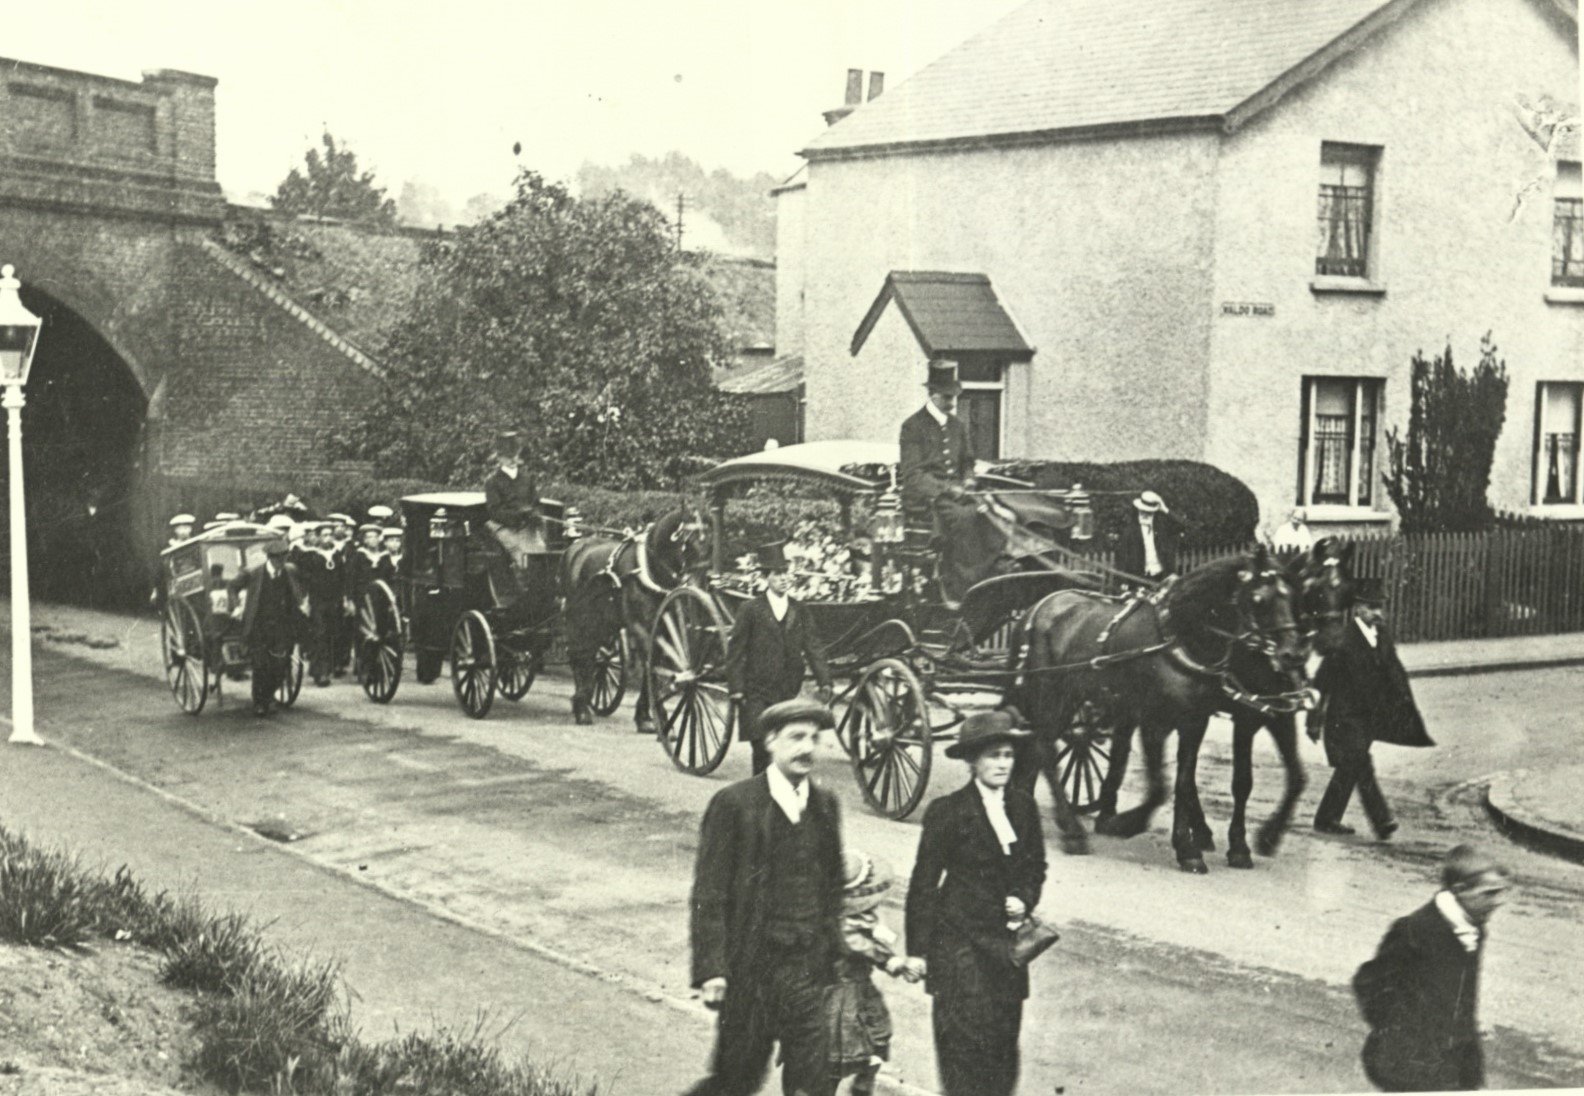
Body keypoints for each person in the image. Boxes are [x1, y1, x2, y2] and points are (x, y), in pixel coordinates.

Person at [687, 697, 845, 1096]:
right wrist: (712, 968)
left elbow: (832, 888)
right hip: (751, 972)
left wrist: (833, 952)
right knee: (734, 1082)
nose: (807, 747)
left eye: (814, 738)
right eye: (795, 737)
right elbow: (710, 892)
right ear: (770, 742)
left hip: (806, 969)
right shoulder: (735, 804)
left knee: (814, 1084)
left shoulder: (825, 806)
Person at [905, 710, 1047, 1096]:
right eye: (992, 756)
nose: (1002, 764)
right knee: (964, 1048)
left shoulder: (1022, 806)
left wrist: (1024, 898)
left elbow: (1035, 867)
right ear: (972, 762)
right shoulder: (947, 812)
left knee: (1003, 1048)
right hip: (958, 946)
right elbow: (923, 885)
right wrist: (917, 950)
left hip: (1006, 950)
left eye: (1008, 755)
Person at [1353, 844, 1511, 1092]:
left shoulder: (1474, 927)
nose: (1499, 901)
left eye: (1502, 892)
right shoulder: (1414, 930)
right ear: (1460, 890)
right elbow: (1369, 984)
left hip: (1454, 1063)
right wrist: (1403, 1034)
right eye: (1489, 893)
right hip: (1409, 1066)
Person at [1308, 577, 1433, 840]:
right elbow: (1322, 679)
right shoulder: (1343, 639)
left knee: (1351, 767)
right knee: (1360, 762)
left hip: (1369, 717)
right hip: (1344, 717)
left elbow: (1394, 671)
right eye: (1373, 607)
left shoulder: (1382, 636)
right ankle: (1381, 820)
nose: (1378, 613)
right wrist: (1313, 716)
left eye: (1380, 607)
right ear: (1358, 609)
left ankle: (1326, 818)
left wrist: (1402, 705)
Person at [726, 541, 833, 773]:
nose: (784, 578)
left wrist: (824, 680)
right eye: (777, 574)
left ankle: (776, 794)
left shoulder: (799, 609)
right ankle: (760, 795)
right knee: (762, 746)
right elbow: (736, 651)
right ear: (767, 577)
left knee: (783, 748)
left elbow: (813, 646)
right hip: (756, 690)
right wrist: (736, 688)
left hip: (787, 690)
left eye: (786, 573)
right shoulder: (751, 609)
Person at [826, 850, 916, 1096]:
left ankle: (864, 1081)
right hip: (841, 991)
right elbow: (861, 946)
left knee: (877, 1035)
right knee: (839, 1048)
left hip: (857, 986)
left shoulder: (857, 918)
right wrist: (892, 961)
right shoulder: (842, 925)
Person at [227, 538, 308, 717]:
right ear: (270, 558)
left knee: (280, 664)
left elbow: (299, 589)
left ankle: (270, 695)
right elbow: (232, 587)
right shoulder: (254, 573)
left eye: (284, 559)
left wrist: (302, 602)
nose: (281, 564)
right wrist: (237, 607)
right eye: (278, 560)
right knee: (261, 665)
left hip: (282, 625)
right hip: (259, 626)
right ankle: (260, 702)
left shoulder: (290, 571)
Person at [296, 522, 344, 687]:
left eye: (330, 534)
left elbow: (343, 577)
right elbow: (303, 579)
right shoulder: (311, 556)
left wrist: (344, 598)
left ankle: (329, 666)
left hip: (335, 601)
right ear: (318, 537)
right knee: (319, 634)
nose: (327, 538)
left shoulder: (337, 555)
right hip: (317, 600)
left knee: (334, 633)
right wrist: (305, 599)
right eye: (324, 535)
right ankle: (320, 672)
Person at [1114, 490, 1180, 587]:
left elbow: (1183, 526)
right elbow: (1121, 559)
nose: (1144, 515)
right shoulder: (1129, 532)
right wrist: (1123, 582)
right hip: (1139, 580)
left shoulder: (1162, 529)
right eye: (1142, 511)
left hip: (1162, 577)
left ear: (1154, 513)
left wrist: (1165, 509)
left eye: (1149, 512)